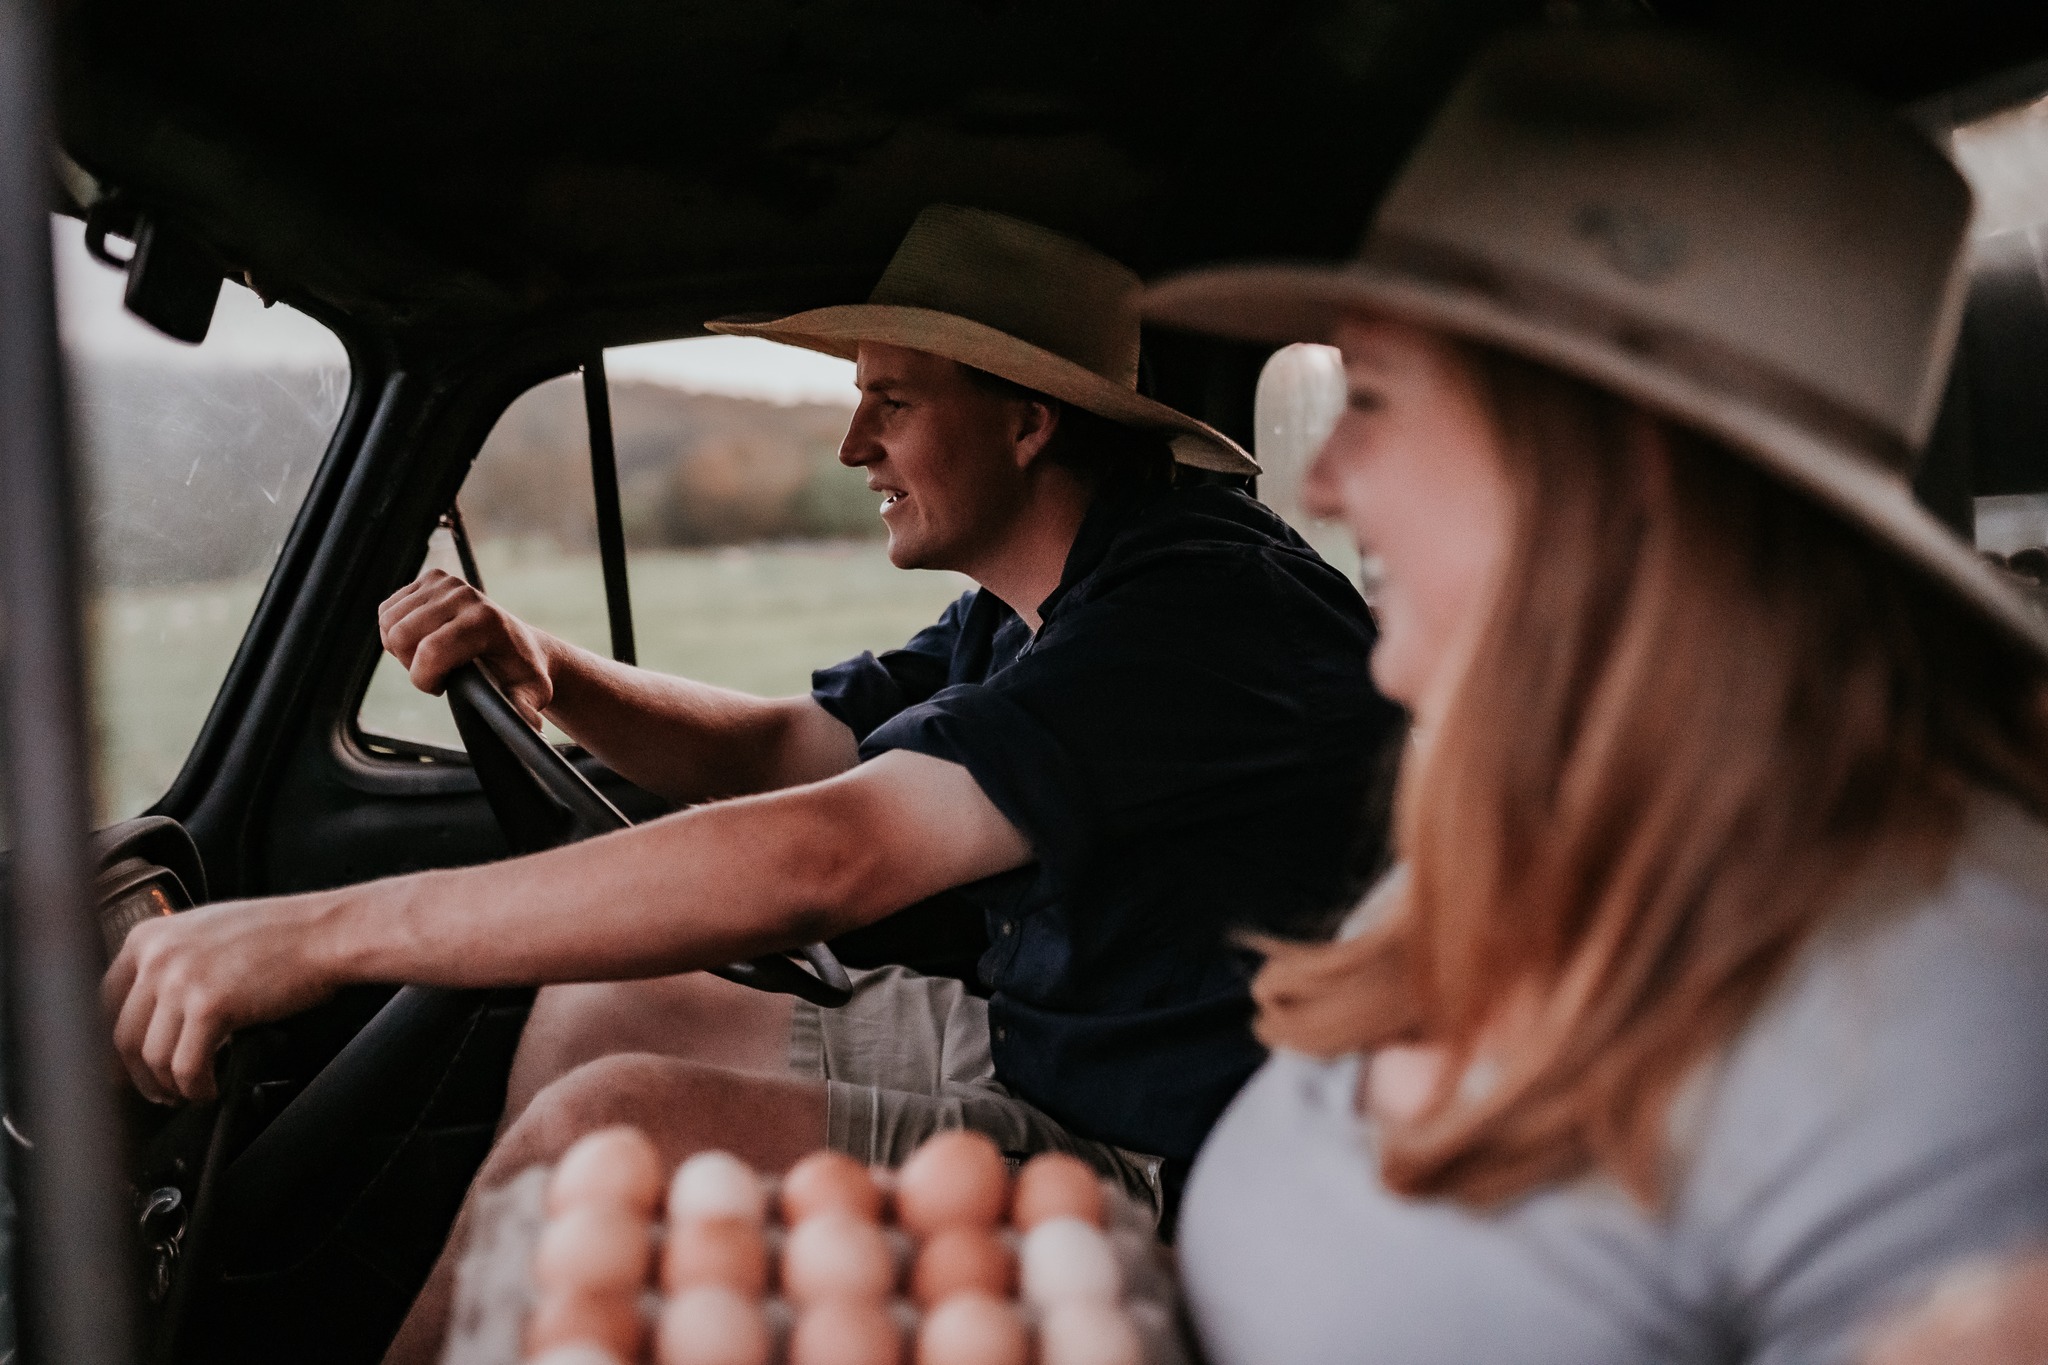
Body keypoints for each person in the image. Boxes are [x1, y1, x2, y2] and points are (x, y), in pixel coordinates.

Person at [102, 206, 1398, 1355]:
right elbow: (792, 744)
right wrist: (547, 665)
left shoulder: (1190, 618)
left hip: (1162, 1153)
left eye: (892, 399)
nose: (851, 443)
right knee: (590, 1011)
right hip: (1049, 1035)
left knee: (599, 1129)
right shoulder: (1034, 602)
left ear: (1024, 418)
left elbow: (826, 855)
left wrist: (323, 931)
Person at [1141, 27, 2048, 1365]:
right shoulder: (1522, 830)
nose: (1319, 484)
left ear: (1609, 472)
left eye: (1372, 396)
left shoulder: (1951, 1031)